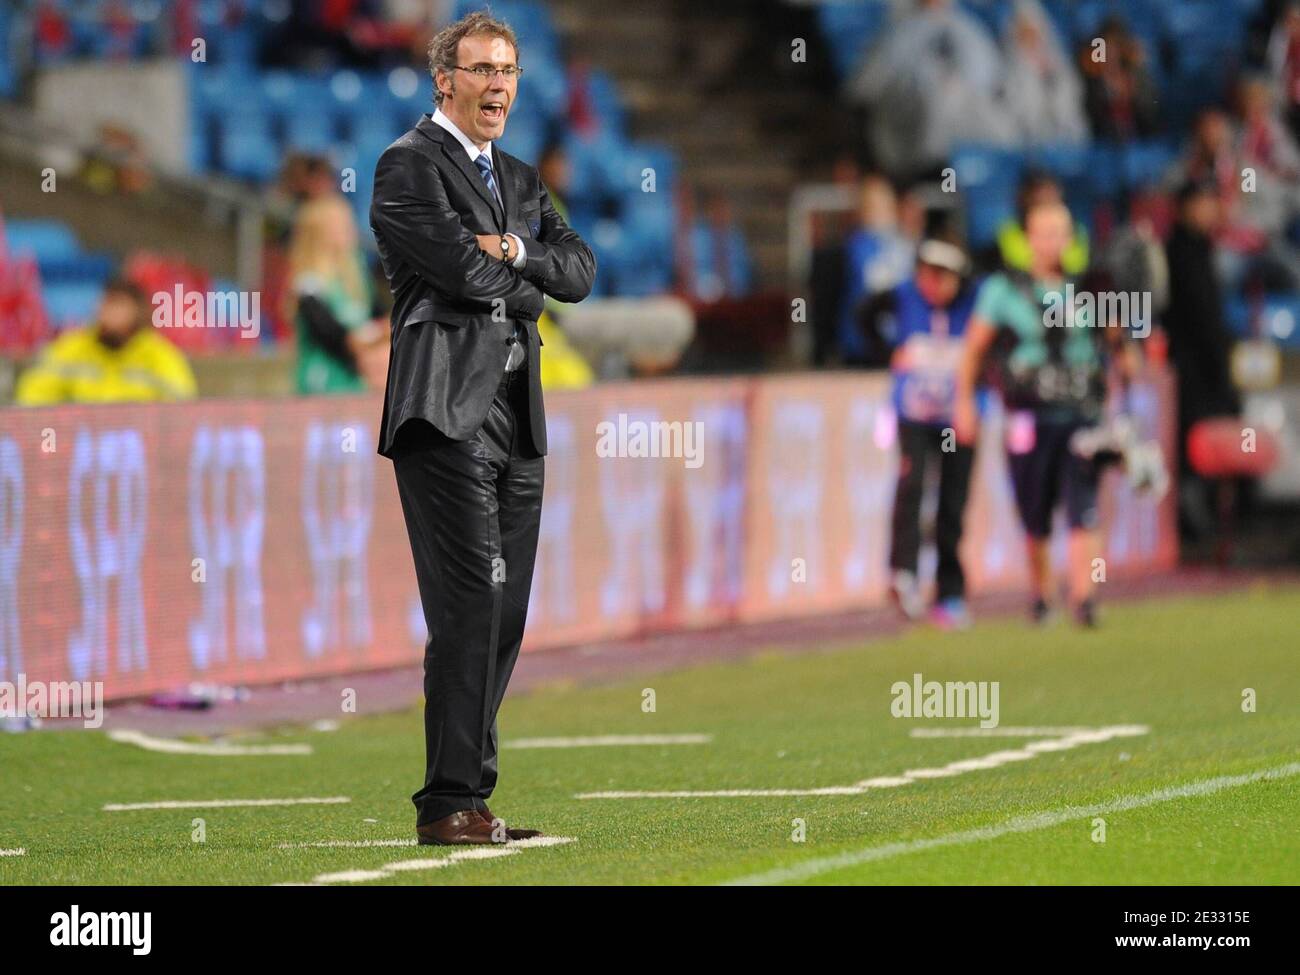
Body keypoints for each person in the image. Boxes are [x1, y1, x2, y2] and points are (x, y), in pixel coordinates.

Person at [369, 11, 595, 846]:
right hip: (445, 409)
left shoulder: (523, 181)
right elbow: (460, 271)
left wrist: (515, 253)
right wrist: (520, 268)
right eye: (481, 69)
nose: (498, 84)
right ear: (444, 80)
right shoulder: (405, 166)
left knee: (505, 613)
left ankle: (472, 795)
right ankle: (448, 801)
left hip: (515, 417)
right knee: (472, 600)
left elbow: (578, 268)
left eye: (509, 70)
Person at [954, 202, 1122, 627]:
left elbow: (1118, 348)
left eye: (1060, 232)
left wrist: (1127, 329)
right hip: (1028, 416)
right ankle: (1042, 593)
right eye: (1043, 233)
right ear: (1028, 239)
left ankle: (1084, 598)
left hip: (1081, 413)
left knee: (1083, 505)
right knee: (1035, 512)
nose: (1052, 242)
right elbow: (973, 351)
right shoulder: (1002, 290)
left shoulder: (1090, 288)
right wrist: (963, 405)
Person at [861, 232, 980, 629]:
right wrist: (885, 352)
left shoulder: (977, 304)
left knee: (952, 503)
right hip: (914, 415)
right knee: (910, 488)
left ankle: (949, 593)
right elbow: (861, 317)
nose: (931, 286)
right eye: (925, 276)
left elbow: (995, 344)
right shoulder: (902, 297)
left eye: (940, 278)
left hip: (957, 418)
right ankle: (904, 574)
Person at [15, 276, 197, 405]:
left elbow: (182, 408)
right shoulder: (71, 348)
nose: (109, 314)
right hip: (77, 446)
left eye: (119, 305)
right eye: (106, 304)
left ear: (138, 313)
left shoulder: (160, 355)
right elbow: (32, 396)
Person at [283, 194, 389, 395]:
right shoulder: (308, 283)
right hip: (323, 381)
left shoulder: (356, 278)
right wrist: (368, 338)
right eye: (341, 226)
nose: (350, 231)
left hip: (355, 379)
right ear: (319, 233)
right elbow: (331, 334)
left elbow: (381, 317)